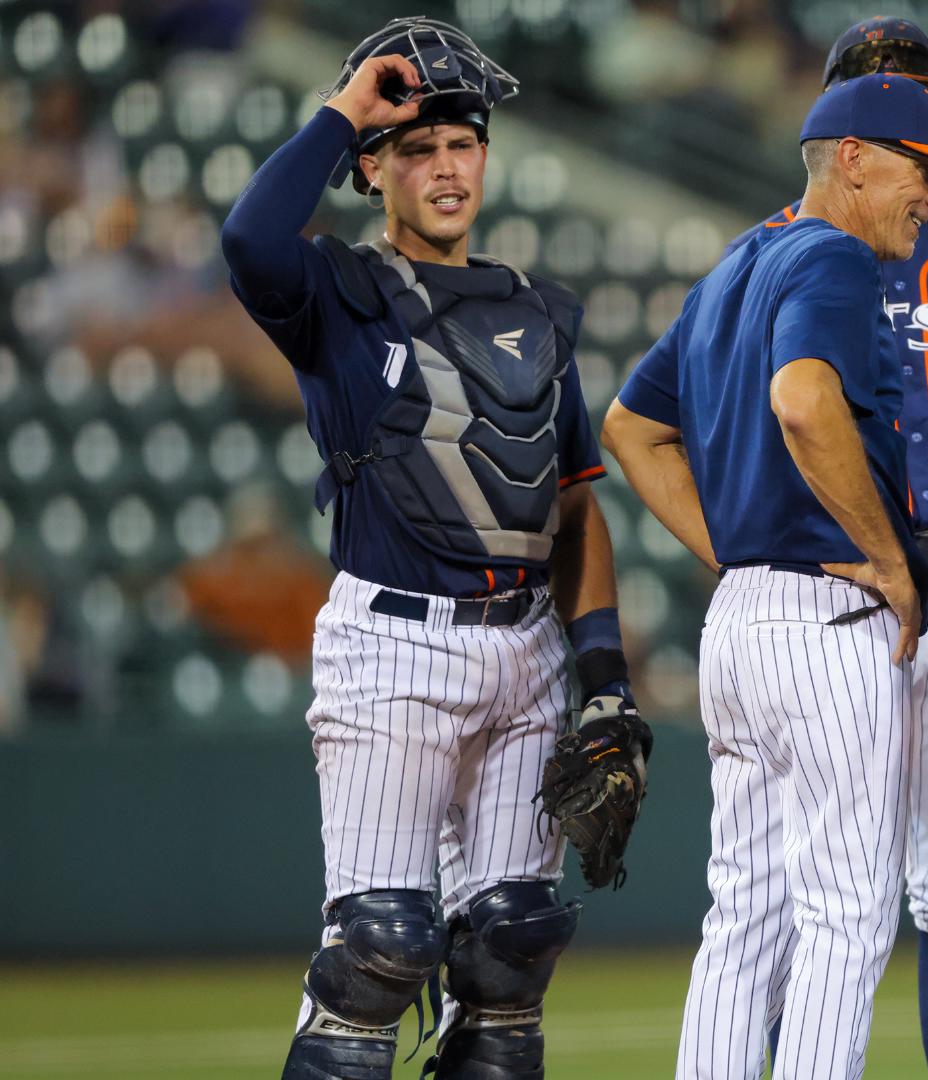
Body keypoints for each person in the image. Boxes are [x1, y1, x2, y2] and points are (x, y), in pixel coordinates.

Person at [220, 17, 649, 1079]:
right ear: (374, 170)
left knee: (512, 953)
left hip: (529, 651)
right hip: (395, 647)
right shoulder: (339, 294)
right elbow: (250, 242)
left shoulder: (537, 312)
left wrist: (604, 681)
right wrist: (346, 113)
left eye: (463, 144)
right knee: (379, 952)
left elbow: (576, 509)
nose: (448, 167)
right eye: (417, 149)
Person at [600, 73, 928, 1080]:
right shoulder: (835, 257)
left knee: (745, 921)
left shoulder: (737, 264)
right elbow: (804, 401)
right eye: (924, 169)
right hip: (827, 623)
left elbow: (632, 427)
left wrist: (730, 548)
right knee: (845, 917)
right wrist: (890, 561)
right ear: (852, 158)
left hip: (741, 623)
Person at [723, 20, 928, 1076]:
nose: (910, 98)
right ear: (839, 125)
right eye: (878, 82)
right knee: (797, 890)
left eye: (923, 85)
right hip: (840, 582)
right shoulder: (780, 251)